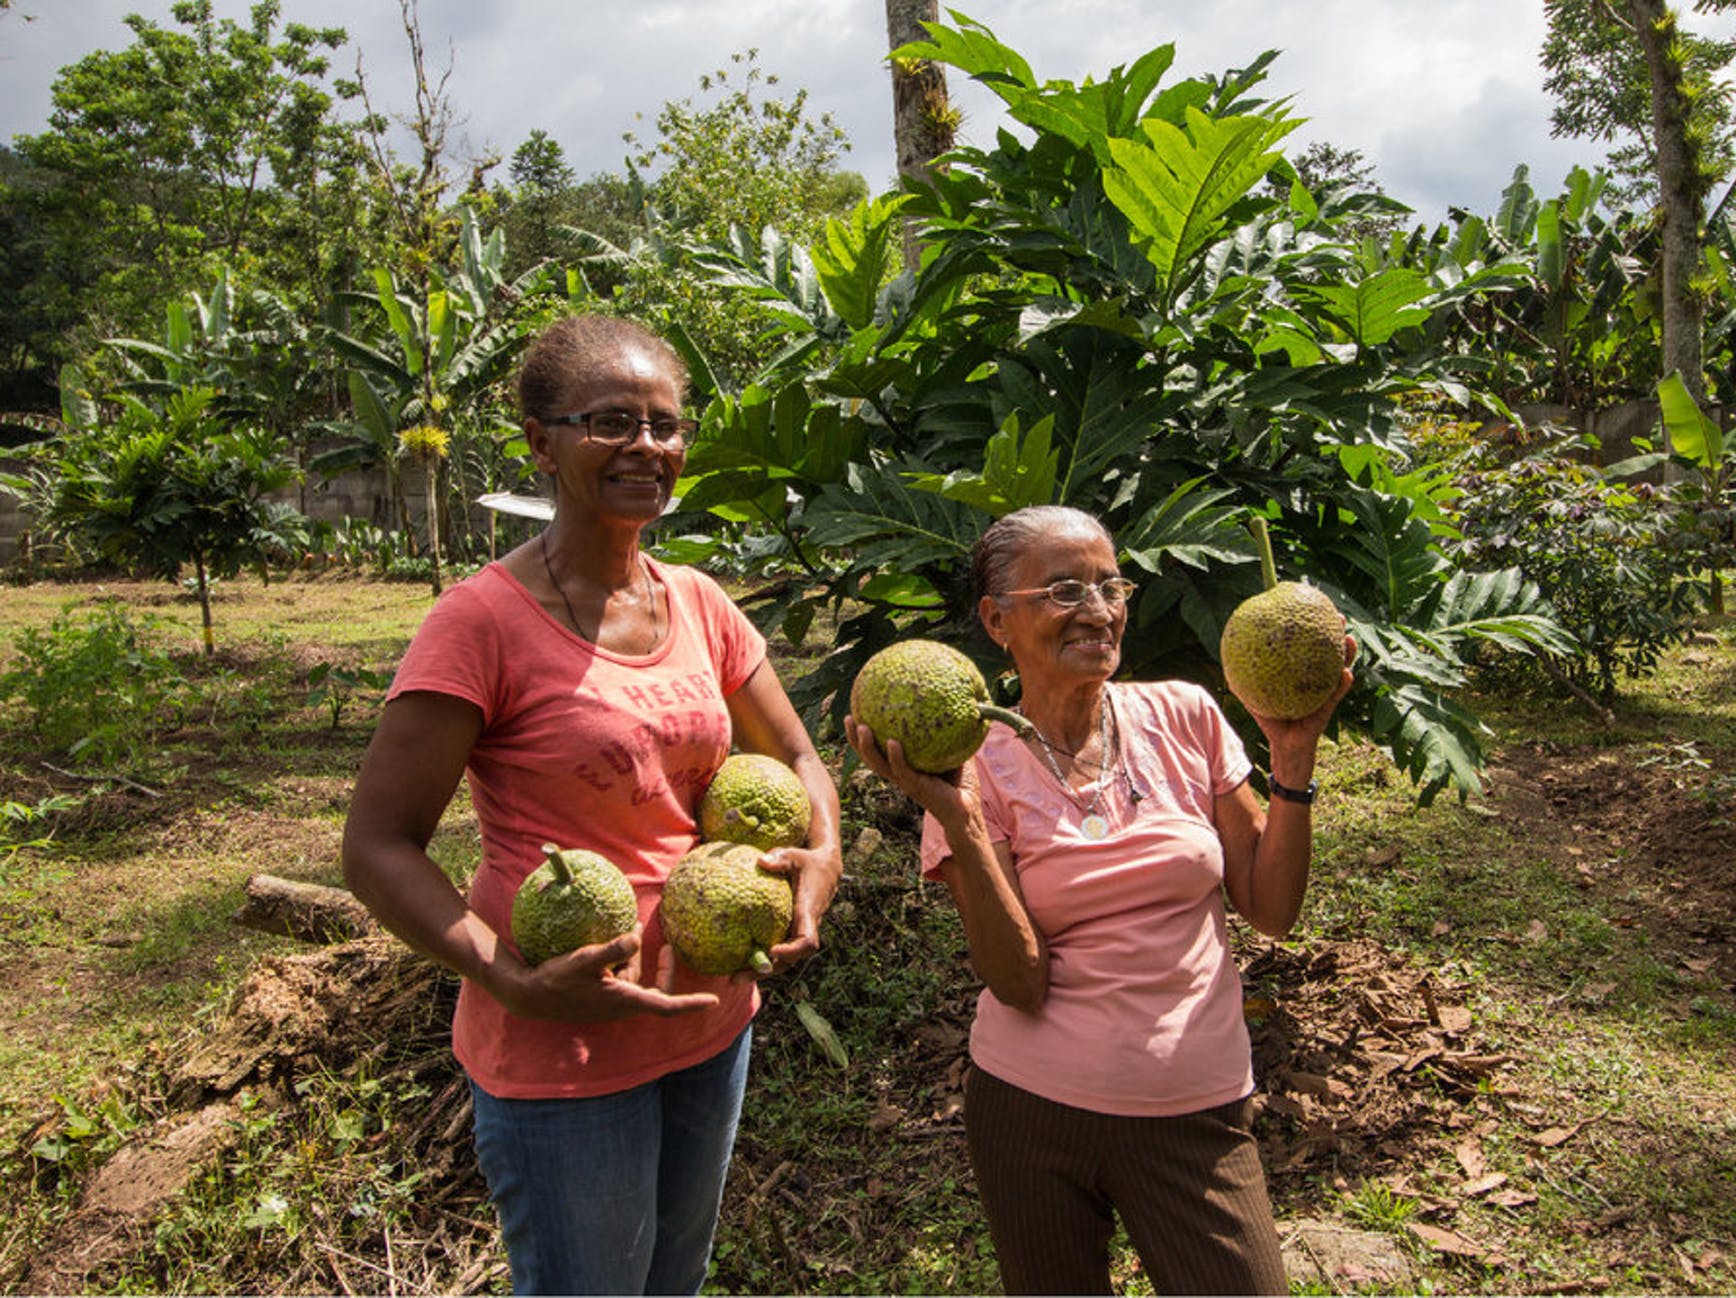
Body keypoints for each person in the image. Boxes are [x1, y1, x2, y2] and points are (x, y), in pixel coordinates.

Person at [340, 313, 842, 1296]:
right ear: (541, 442)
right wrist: (513, 982)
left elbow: (793, 754)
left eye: (665, 425)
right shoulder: (480, 621)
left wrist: (821, 853)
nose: (645, 446)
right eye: (611, 421)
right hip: (562, 1045)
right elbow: (377, 845)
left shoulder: (698, 601)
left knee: (672, 1282)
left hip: (711, 1018)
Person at [846, 504, 1354, 1296]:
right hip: (1032, 1114)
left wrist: (1292, 753)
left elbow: (1272, 910)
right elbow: (1018, 982)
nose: (1097, 610)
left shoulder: (1184, 714)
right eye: (1063, 591)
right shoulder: (976, 768)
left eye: (1110, 587)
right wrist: (962, 823)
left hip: (1197, 1108)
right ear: (996, 620)